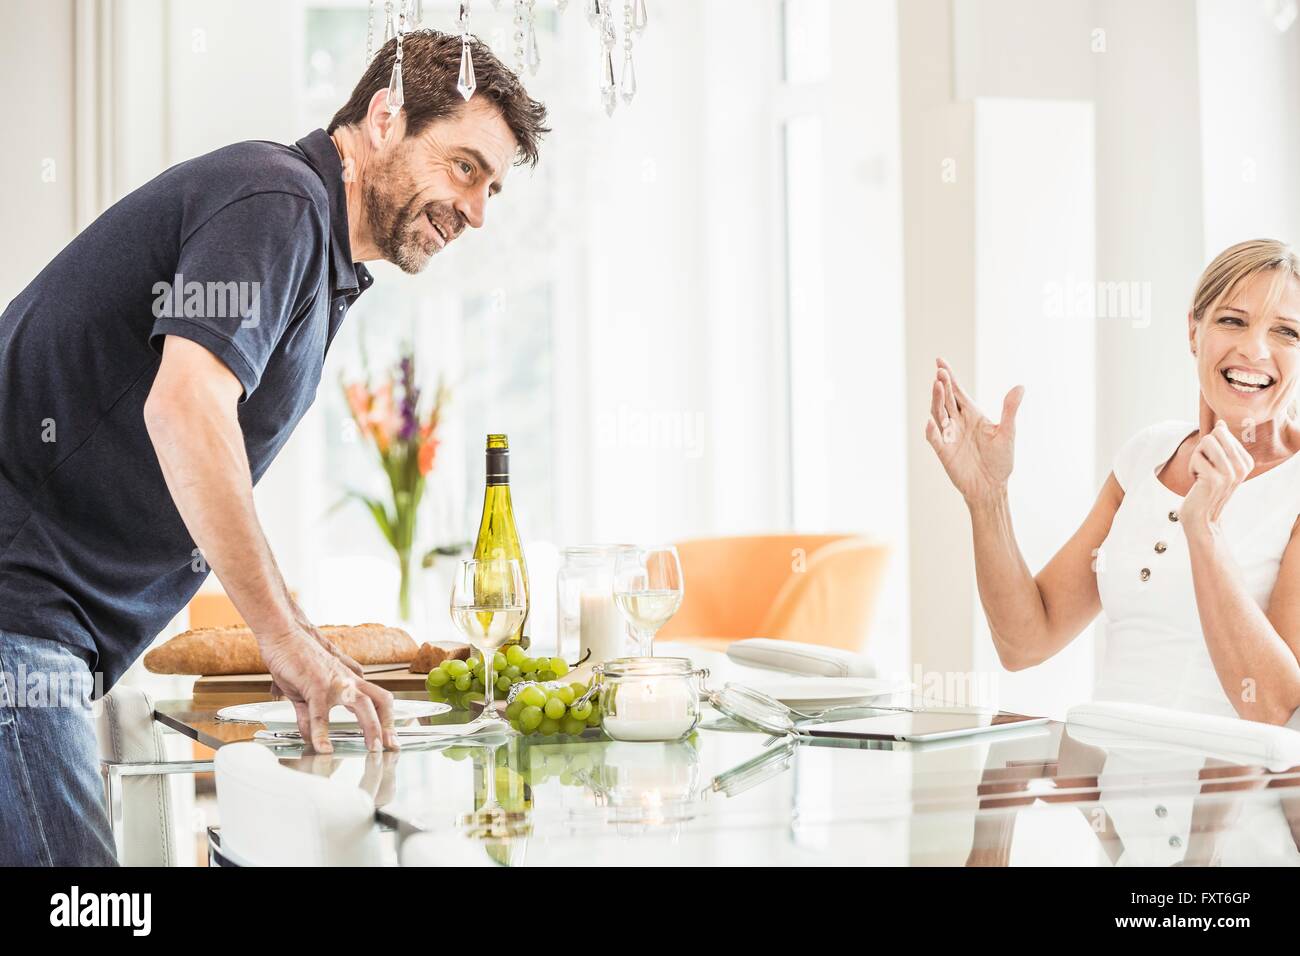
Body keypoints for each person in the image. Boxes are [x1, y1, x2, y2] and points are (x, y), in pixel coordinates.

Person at [0, 30, 548, 865]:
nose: (477, 210)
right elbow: (186, 410)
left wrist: (301, 634)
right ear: (384, 116)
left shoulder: (312, 241)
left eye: (493, 188)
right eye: (465, 167)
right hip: (18, 608)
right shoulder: (281, 202)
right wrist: (286, 642)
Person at [926, 239, 1300, 726]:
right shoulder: (1148, 455)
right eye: (1232, 320)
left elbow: (1278, 710)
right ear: (1194, 330)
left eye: (1287, 332)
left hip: (1224, 794)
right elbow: (1025, 641)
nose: (1253, 349)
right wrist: (987, 497)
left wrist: (1203, 528)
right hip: (1113, 784)